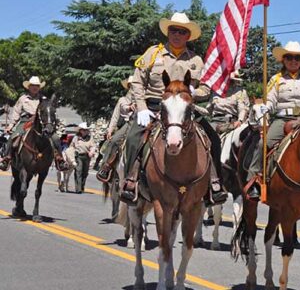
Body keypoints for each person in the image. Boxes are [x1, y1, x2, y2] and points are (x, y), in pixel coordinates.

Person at [109, 12, 227, 204]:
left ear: (188, 36)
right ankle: (131, 181)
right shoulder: (153, 53)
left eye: (182, 31)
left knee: (213, 138)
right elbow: (137, 82)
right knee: (132, 139)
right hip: (154, 106)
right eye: (173, 30)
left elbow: (206, 88)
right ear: (168, 32)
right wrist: (141, 107)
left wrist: (193, 92)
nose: (177, 34)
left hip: (184, 109)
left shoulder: (196, 60)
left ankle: (214, 184)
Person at [244, 41, 300, 200]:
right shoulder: (276, 79)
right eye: (289, 57)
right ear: (283, 60)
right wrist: (267, 107)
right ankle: (254, 179)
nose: (293, 61)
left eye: (297, 58)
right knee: (263, 144)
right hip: (282, 119)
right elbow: (271, 98)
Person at [1, 76, 64, 171]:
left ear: (39, 87)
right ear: (29, 87)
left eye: (37, 86)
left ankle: (60, 160)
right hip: (25, 121)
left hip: (41, 123)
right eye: (33, 85)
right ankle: (7, 158)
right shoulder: (23, 98)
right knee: (13, 136)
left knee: (55, 138)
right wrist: (11, 125)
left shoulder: (44, 99)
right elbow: (16, 112)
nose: (35, 87)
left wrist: (52, 123)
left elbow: (50, 112)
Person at [96, 78, 136, 182]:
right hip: (128, 123)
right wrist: (110, 130)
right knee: (114, 141)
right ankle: (105, 167)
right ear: (128, 87)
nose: (133, 87)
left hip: (141, 122)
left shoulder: (143, 97)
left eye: (135, 84)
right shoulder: (123, 100)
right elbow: (115, 116)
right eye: (131, 85)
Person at [70, 122, 97, 193]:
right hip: (78, 156)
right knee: (78, 171)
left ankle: (82, 186)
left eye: (86, 130)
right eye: (84, 130)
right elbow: (72, 146)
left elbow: (93, 146)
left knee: (85, 173)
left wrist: (91, 152)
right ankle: (78, 188)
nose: (86, 131)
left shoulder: (90, 138)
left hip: (87, 156)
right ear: (80, 130)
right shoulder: (76, 138)